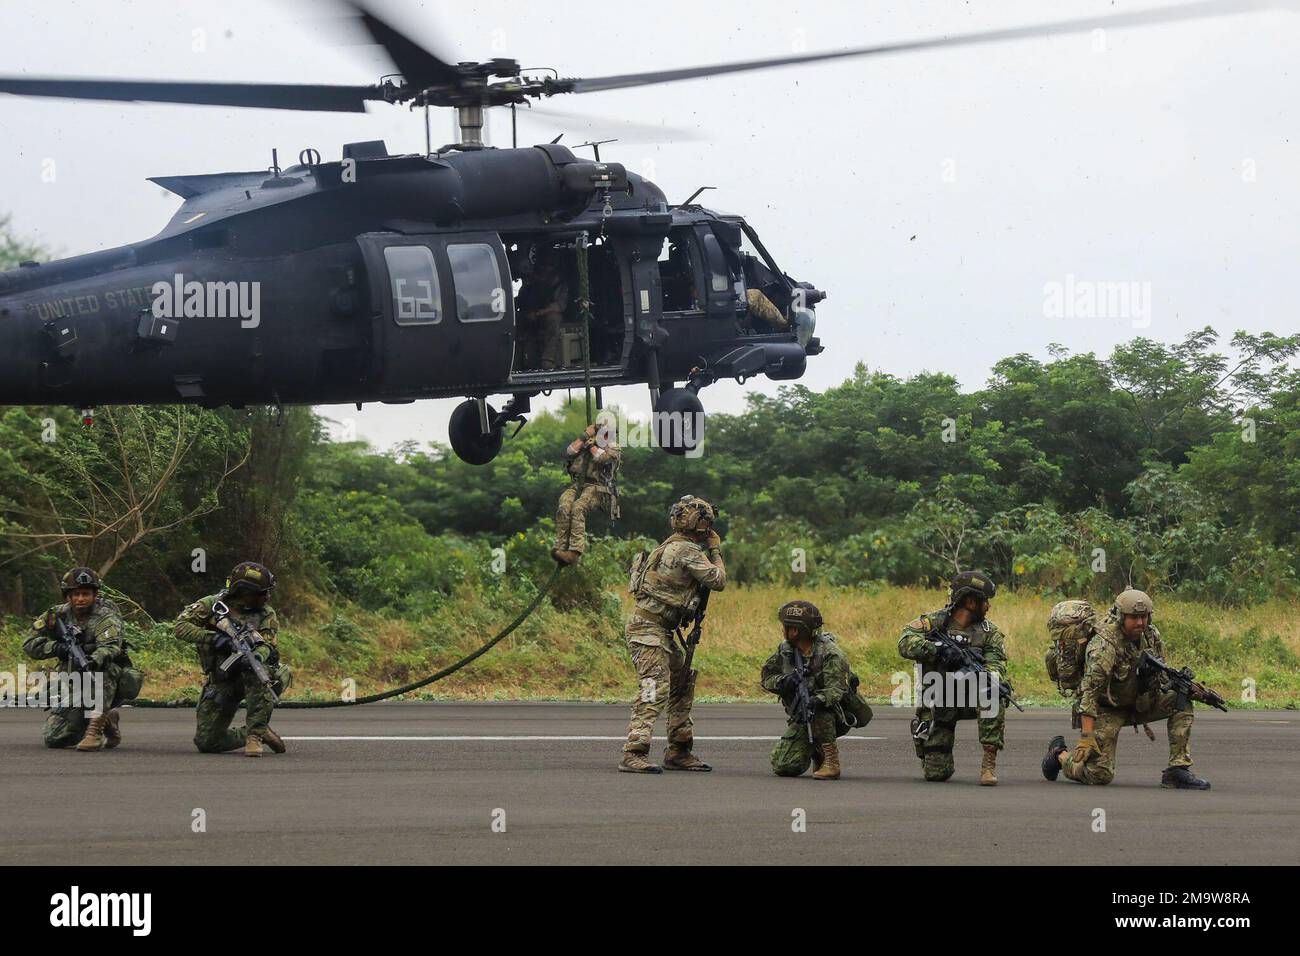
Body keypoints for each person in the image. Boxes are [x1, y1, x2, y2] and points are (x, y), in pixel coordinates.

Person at [1043, 589, 1210, 789]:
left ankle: (1178, 770)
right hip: (1106, 709)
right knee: (1099, 775)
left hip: (1140, 701)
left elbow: (1161, 670)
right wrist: (1086, 738)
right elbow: (1089, 693)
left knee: (1180, 698)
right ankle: (1059, 755)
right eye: (1134, 617)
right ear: (1121, 617)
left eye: (1144, 616)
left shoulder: (1151, 634)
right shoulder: (1104, 645)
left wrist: (1186, 687)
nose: (1140, 622)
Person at [619, 495, 725, 773]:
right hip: (649, 630)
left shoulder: (667, 546)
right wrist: (716, 551)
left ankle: (679, 749)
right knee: (655, 686)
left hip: (658, 629)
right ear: (702, 525)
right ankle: (634, 751)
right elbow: (718, 580)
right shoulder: (688, 551)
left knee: (681, 684)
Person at [897, 570, 1008, 785]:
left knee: (994, 692)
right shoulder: (933, 623)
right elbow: (904, 642)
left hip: (969, 697)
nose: (988, 606)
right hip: (938, 700)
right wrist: (936, 650)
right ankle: (928, 747)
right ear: (969, 601)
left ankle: (988, 764)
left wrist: (986, 674)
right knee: (936, 774)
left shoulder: (989, 632)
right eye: (984, 601)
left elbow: (997, 664)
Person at [175, 561, 291, 757]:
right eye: (262, 593)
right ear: (244, 592)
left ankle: (254, 736)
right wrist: (214, 638)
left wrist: (254, 656)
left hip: (253, 675)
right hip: (222, 679)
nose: (267, 597)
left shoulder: (265, 613)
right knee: (206, 743)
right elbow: (180, 627)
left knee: (257, 671)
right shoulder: (212, 605)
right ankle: (259, 730)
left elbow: (268, 645)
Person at [23, 566, 142, 750]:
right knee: (54, 739)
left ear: (95, 595)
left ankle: (94, 730)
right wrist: (56, 647)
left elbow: (110, 646)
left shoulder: (106, 615)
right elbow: (29, 643)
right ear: (68, 596)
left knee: (104, 670)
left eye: (86, 594)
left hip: (105, 675)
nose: (80, 598)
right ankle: (108, 720)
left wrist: (93, 660)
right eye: (76, 594)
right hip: (71, 677)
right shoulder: (56, 616)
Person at [760, 600, 872, 780]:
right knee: (784, 765)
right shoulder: (786, 650)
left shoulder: (831, 654)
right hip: (803, 715)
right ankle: (816, 749)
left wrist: (815, 700)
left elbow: (836, 691)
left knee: (820, 707)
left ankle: (831, 761)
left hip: (837, 715)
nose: (783, 630)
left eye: (785, 626)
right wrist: (785, 682)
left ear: (795, 631)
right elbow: (766, 678)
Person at [552, 415, 620, 566]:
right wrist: (585, 436)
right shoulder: (588, 441)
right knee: (564, 505)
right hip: (579, 484)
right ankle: (561, 547)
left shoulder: (613, 447)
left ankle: (574, 552)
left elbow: (602, 458)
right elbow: (569, 452)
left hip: (597, 487)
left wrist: (590, 446)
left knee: (578, 508)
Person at [516, 247, 569, 370]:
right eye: (542, 264)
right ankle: (517, 362)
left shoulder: (559, 283)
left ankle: (548, 360)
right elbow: (521, 299)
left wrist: (538, 313)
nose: (545, 268)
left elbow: (560, 305)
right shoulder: (530, 281)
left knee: (554, 319)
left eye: (549, 265)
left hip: (544, 316)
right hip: (529, 315)